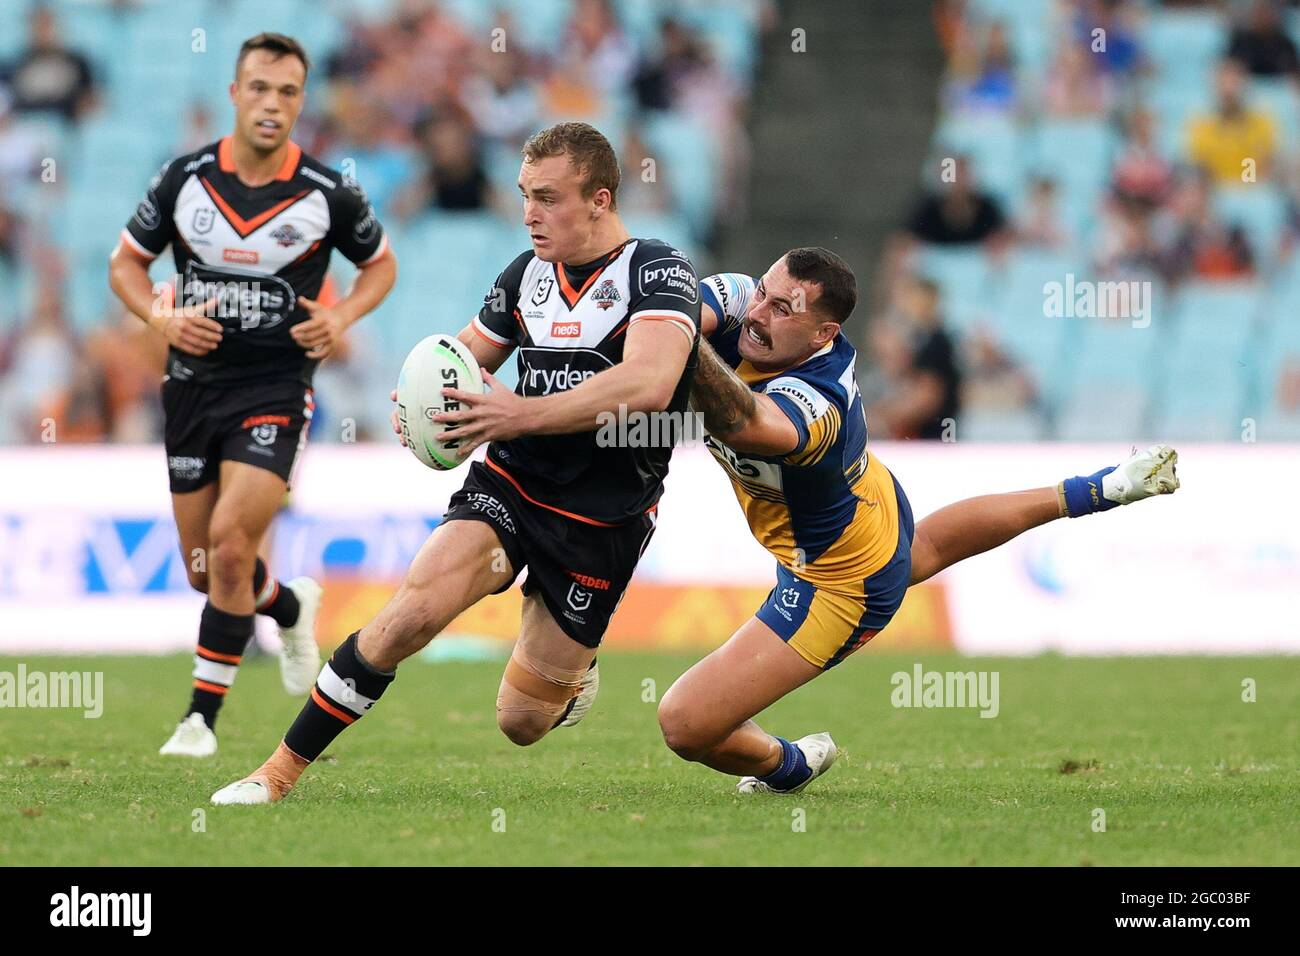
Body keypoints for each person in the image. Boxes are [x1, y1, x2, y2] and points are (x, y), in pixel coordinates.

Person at [210, 121, 701, 805]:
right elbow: (466, 355)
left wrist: (518, 412)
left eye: (549, 197)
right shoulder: (526, 275)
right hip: (513, 481)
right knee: (408, 616)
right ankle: (277, 773)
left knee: (522, 722)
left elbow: (647, 385)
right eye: (526, 194)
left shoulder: (657, 271)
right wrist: (425, 398)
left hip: (602, 516)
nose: (530, 213)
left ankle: (570, 662)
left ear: (601, 198)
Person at [658, 250, 1178, 793]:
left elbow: (743, 421)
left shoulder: (817, 399)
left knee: (686, 724)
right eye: (763, 291)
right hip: (867, 504)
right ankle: (1100, 488)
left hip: (837, 582)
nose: (759, 312)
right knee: (920, 551)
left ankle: (790, 765)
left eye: (783, 308)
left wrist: (678, 336)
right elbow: (659, 315)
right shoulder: (748, 302)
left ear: (823, 334)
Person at [107, 33, 398, 757]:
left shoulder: (329, 193)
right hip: (190, 391)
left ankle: (199, 720)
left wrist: (340, 316)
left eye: (289, 92)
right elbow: (125, 267)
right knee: (206, 568)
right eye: (260, 88)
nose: (273, 104)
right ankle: (290, 603)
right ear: (235, 94)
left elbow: (381, 266)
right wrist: (160, 316)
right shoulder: (185, 180)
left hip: (275, 388)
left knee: (233, 546)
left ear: (302, 102)